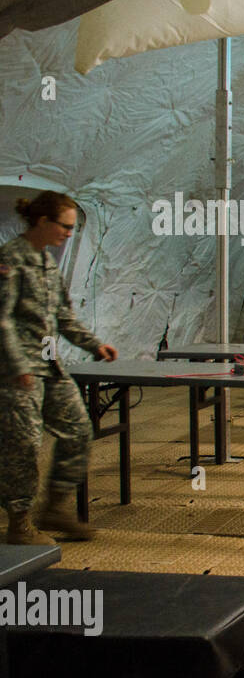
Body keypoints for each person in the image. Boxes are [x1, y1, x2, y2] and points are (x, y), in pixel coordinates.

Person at [0, 191, 117, 544]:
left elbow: (62, 315)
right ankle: (19, 523)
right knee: (24, 445)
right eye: (65, 226)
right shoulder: (11, 260)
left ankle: (55, 507)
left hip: (49, 366)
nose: (69, 233)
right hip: (16, 370)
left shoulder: (46, 262)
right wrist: (17, 365)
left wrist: (93, 344)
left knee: (79, 430)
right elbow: (1, 319)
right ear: (42, 222)